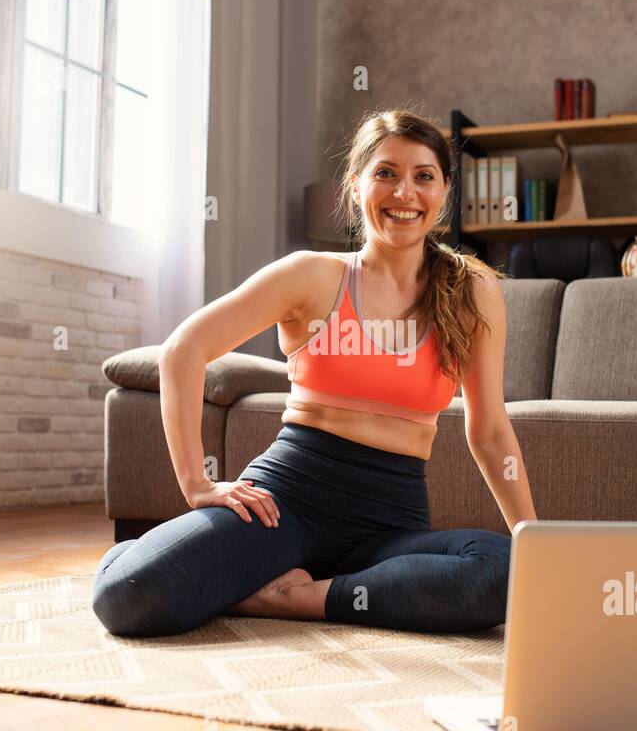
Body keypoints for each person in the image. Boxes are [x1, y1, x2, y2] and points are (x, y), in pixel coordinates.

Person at [92, 108, 538, 636]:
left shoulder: (472, 290)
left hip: (388, 526)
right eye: (386, 173)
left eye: (423, 176)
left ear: (444, 191)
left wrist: (535, 544)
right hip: (284, 506)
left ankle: (295, 599)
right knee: (127, 597)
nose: (404, 192)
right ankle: (168, 551)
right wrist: (197, 484)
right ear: (355, 186)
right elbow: (182, 351)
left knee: (500, 569)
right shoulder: (310, 276)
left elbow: (488, 431)